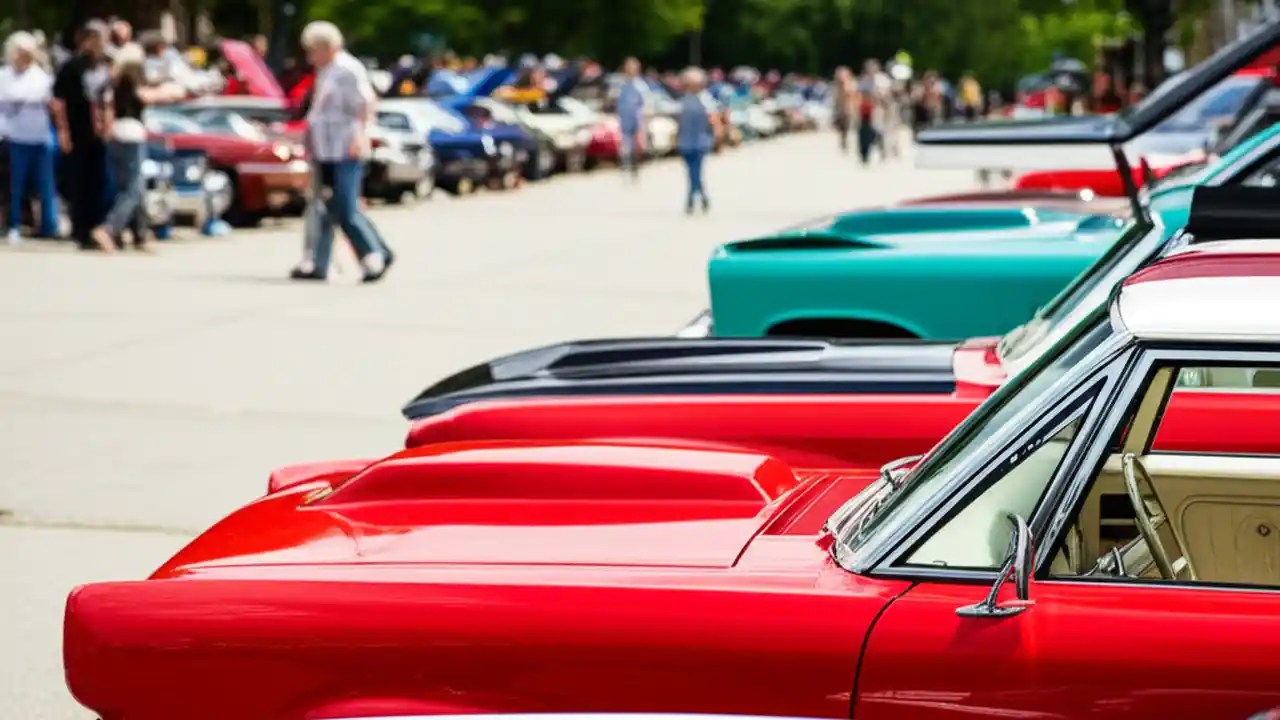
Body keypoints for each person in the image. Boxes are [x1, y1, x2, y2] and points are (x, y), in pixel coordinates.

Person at [290, 21, 392, 283]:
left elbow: (364, 104)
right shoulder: (326, 71)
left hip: (345, 146)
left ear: (328, 47)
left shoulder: (348, 69)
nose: (310, 57)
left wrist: (359, 135)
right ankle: (321, 263)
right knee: (327, 207)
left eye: (313, 50)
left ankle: (374, 253)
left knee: (346, 208)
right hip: (325, 148)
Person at [91, 42, 183, 252]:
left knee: (130, 188)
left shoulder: (110, 83)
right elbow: (146, 96)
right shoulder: (127, 82)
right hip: (130, 135)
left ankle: (139, 235)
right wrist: (170, 91)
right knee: (133, 190)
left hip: (116, 136)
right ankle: (109, 228)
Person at [52, 21, 111, 252]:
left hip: (98, 134)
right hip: (78, 131)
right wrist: (63, 131)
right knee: (77, 181)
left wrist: (107, 126)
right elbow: (58, 102)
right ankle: (80, 230)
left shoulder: (104, 66)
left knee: (98, 182)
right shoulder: (71, 67)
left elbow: (107, 99)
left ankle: (96, 226)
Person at [0, 31, 59, 244]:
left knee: (46, 184)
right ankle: (14, 224)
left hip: (40, 136)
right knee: (15, 185)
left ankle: (49, 225)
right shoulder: (4, 75)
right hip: (16, 137)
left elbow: (50, 101)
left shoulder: (41, 75)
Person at [675, 66, 720, 215]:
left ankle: (691, 199)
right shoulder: (684, 99)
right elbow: (680, 121)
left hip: (700, 141)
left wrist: (717, 138)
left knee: (696, 170)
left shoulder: (705, 99)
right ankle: (702, 195)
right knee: (691, 171)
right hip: (685, 141)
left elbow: (714, 120)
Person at [616, 57, 646, 179]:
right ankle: (626, 165)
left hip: (637, 116)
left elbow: (645, 102)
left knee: (637, 143)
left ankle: (635, 165)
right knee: (625, 143)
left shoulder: (640, 84)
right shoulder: (621, 84)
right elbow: (616, 100)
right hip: (624, 117)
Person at [831, 65, 857, 154]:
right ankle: (843, 144)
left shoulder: (850, 85)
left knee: (846, 129)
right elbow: (836, 99)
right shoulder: (837, 86)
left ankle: (845, 144)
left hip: (848, 110)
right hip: (840, 110)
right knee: (841, 129)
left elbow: (852, 97)